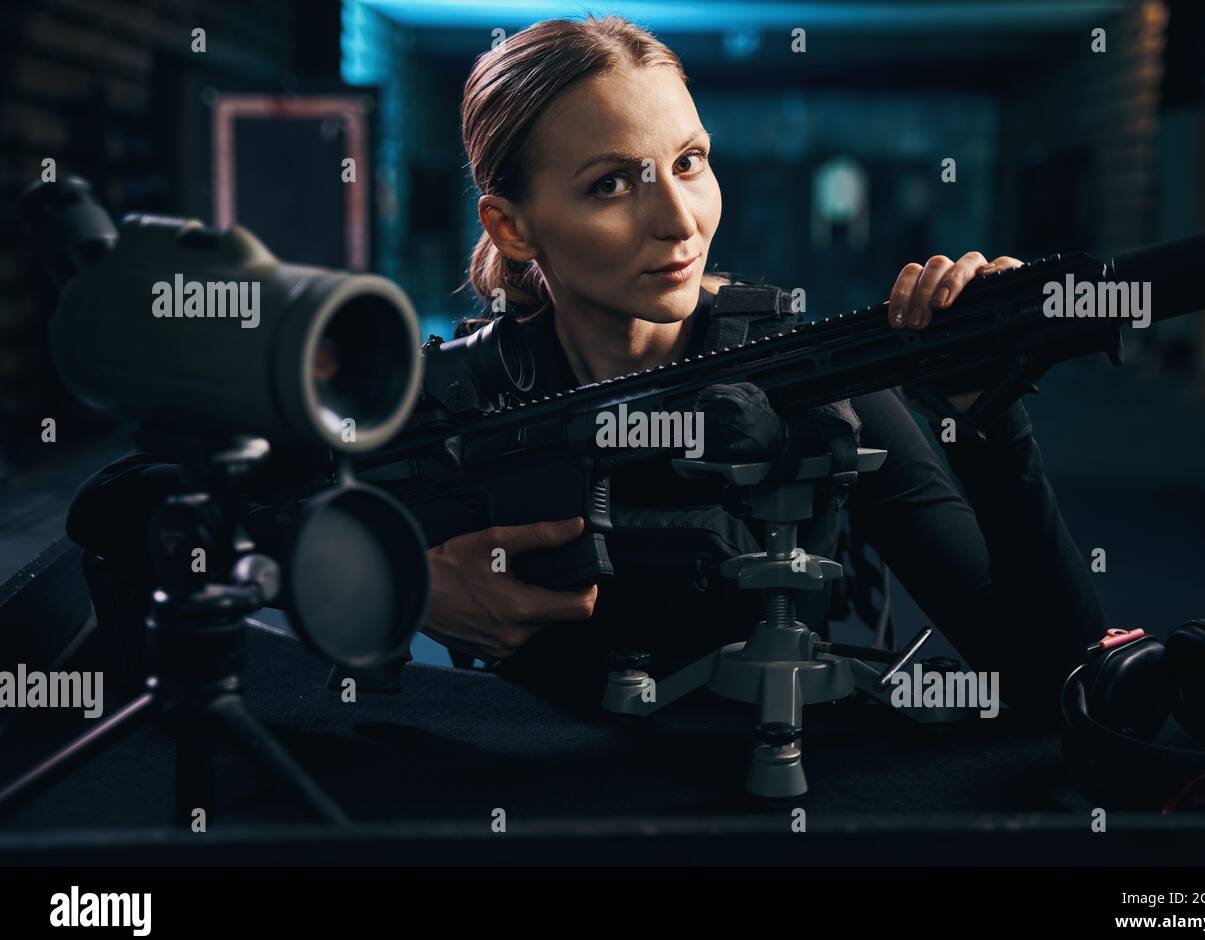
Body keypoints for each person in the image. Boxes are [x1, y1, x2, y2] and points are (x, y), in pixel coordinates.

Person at [418, 14, 1106, 720]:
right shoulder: (468, 394)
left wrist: (989, 414)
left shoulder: (806, 378)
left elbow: (1060, 674)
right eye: (612, 185)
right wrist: (404, 587)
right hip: (528, 795)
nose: (681, 220)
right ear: (512, 226)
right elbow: (303, 520)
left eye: (689, 162)